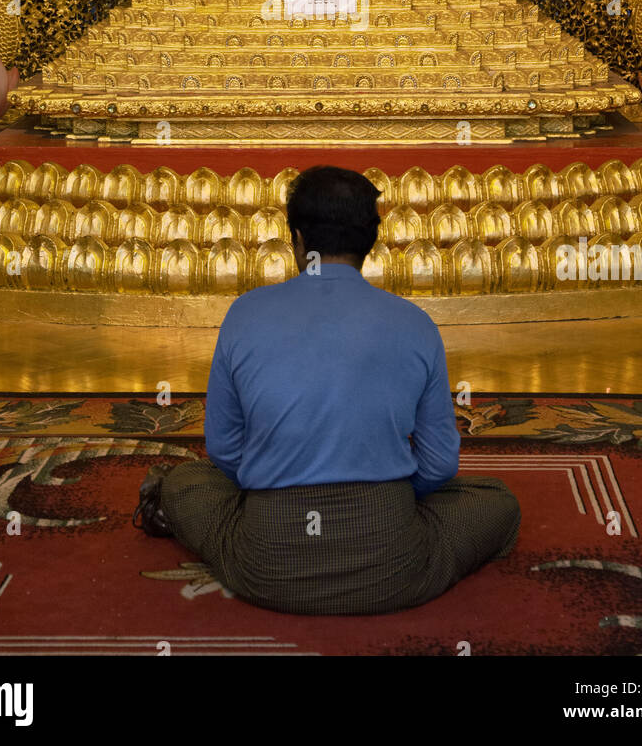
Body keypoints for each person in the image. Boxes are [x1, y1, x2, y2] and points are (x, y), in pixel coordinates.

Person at [133, 165, 520, 615]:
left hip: (267, 567)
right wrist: (377, 502)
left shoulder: (246, 313)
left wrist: (274, 482)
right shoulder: (414, 322)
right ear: (371, 241)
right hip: (394, 568)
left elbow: (224, 449)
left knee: (186, 481)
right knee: (495, 501)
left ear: (297, 239)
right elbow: (439, 464)